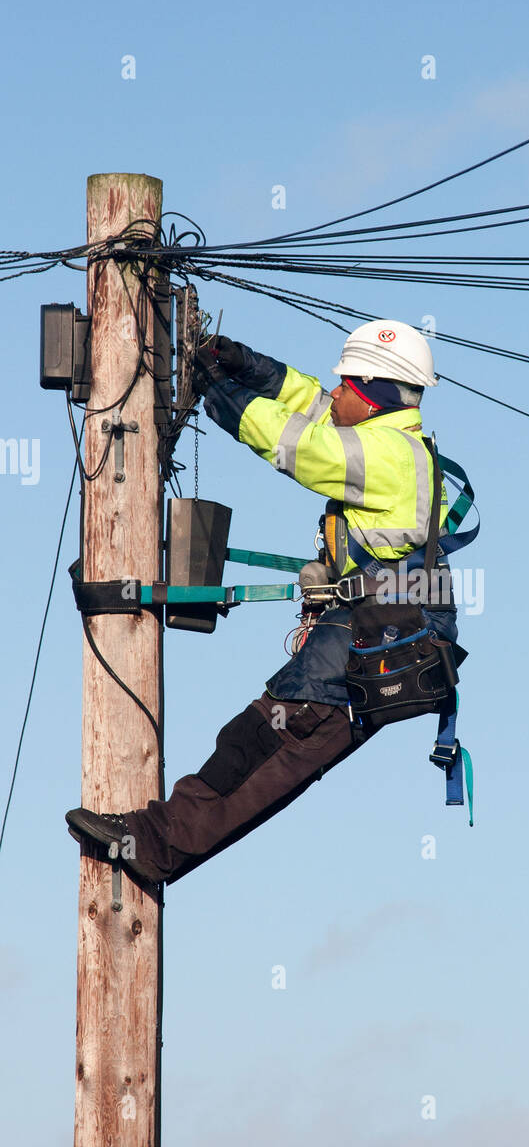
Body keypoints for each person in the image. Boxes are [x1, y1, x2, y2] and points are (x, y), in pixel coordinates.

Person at [66, 319, 462, 888]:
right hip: (371, 630)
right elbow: (317, 406)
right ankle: (152, 838)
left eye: (348, 384)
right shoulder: (389, 437)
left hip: (374, 638)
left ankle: (151, 845)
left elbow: (294, 444)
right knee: (258, 738)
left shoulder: (385, 456)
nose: (337, 393)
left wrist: (217, 392)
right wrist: (249, 366)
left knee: (267, 747)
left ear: (374, 394)